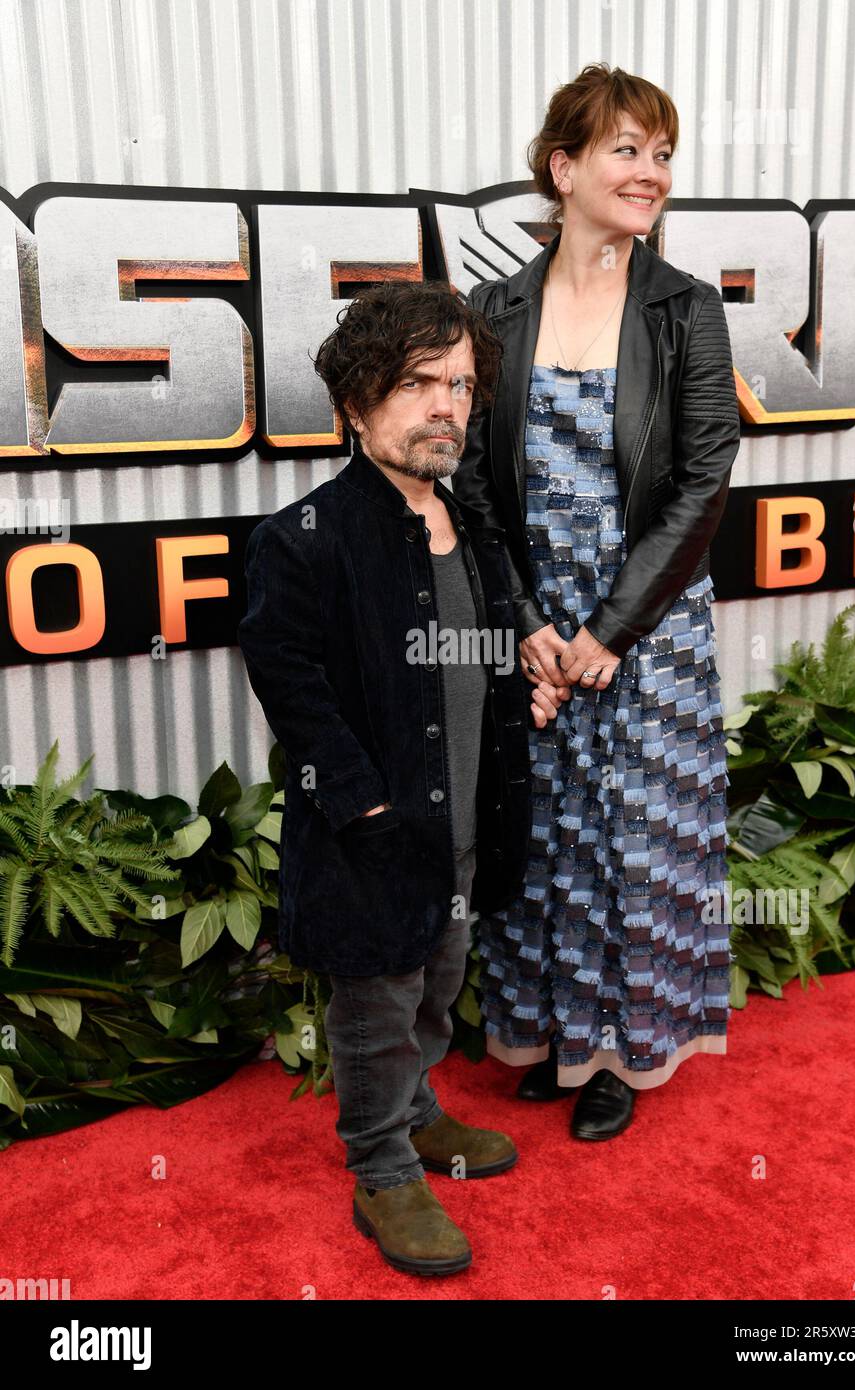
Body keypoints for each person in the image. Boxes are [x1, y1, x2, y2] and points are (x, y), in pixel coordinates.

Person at [237, 281, 565, 1277]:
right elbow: (292, 687)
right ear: (355, 401)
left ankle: (419, 1117)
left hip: (466, 812)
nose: (447, 406)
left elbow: (473, 645)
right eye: (420, 382)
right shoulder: (304, 538)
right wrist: (366, 802)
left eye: (462, 385)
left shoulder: (469, 521)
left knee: (441, 977)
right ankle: (381, 1169)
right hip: (376, 829)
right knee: (376, 1004)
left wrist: (519, 689)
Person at [452, 62, 741, 1141]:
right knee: (543, 832)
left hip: (646, 621)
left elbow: (706, 474)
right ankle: (549, 1040)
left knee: (635, 839)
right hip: (535, 617)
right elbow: (472, 477)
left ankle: (622, 1050)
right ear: (564, 167)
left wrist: (610, 631)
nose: (651, 172)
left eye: (663, 153)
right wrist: (528, 622)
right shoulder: (496, 308)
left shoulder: (684, 310)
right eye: (627, 150)